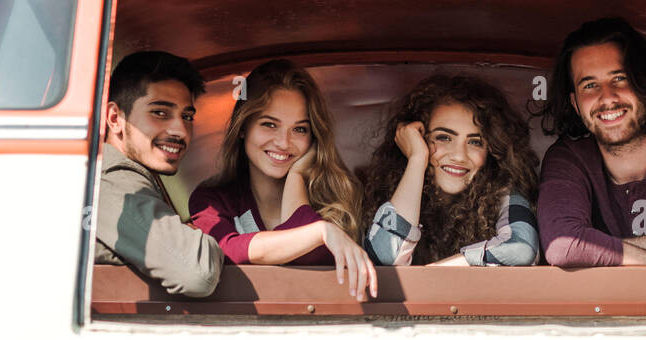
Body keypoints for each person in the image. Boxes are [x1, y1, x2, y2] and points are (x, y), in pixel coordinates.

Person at [188, 60, 377, 300]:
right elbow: (224, 250)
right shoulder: (213, 199)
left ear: (314, 136)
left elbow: (306, 256)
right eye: (269, 124)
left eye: (300, 129)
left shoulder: (339, 195)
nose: (284, 142)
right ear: (244, 126)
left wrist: (297, 176)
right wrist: (319, 232)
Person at [535, 18, 646, 266]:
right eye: (590, 85)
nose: (607, 97)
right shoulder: (569, 156)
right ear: (575, 104)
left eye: (619, 79)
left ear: (644, 85)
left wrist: (597, 244)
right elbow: (563, 245)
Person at [362, 74, 539, 266]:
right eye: (443, 137)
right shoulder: (391, 190)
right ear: (418, 139)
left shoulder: (502, 190)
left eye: (475, 142)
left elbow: (521, 249)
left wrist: (441, 269)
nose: (459, 156)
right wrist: (417, 159)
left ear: (492, 150)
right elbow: (386, 255)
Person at [93, 51, 224, 296]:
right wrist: (201, 238)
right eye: (160, 113)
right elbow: (196, 273)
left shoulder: (138, 178)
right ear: (115, 118)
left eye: (187, 117)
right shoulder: (109, 179)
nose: (180, 131)